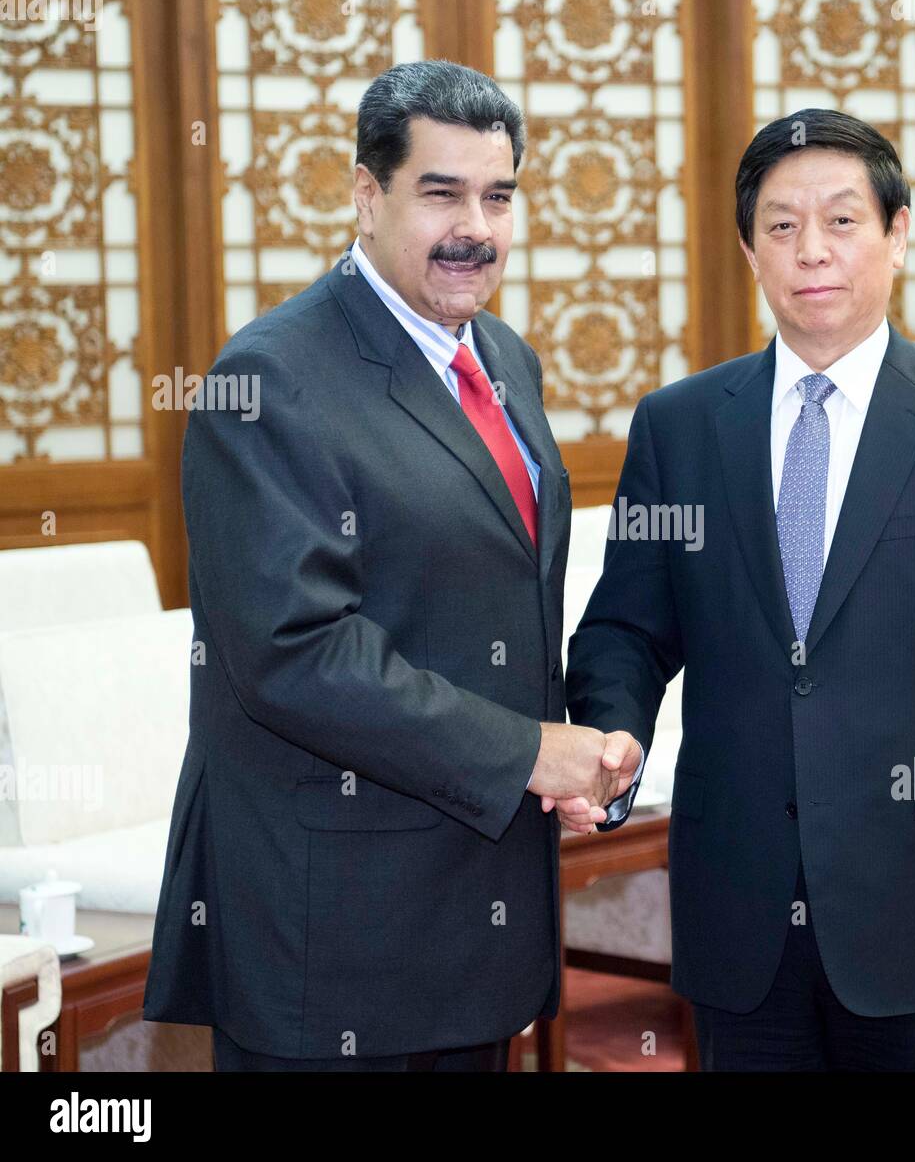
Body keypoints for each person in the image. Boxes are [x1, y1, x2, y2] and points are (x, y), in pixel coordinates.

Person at [564, 108, 915, 1071]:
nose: (812, 250)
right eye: (781, 225)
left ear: (896, 234)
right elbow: (625, 630)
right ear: (748, 249)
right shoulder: (679, 427)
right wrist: (611, 734)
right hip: (740, 920)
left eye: (843, 220)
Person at [143, 59, 637, 1072]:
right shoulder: (269, 378)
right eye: (440, 192)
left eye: (498, 195)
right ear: (366, 196)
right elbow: (294, 651)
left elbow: (497, 602)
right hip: (331, 928)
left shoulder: (503, 356)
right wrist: (526, 753)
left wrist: (575, 752)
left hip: (474, 907)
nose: (476, 227)